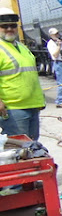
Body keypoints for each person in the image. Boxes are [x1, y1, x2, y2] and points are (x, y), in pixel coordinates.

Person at [0, 8, 46, 140]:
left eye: (13, 25)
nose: (10, 29)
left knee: (31, 147)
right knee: (19, 149)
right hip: (13, 109)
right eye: (4, 26)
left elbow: (30, 76)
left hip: (32, 106)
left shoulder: (22, 47)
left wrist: (39, 99)